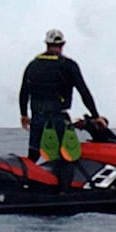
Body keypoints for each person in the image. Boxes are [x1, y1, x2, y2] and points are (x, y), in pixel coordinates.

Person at [19, 29, 104, 162]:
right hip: (58, 118)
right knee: (66, 158)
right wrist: (96, 116)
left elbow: (24, 92)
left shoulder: (33, 65)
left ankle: (24, 175)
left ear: (46, 44)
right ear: (62, 44)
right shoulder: (68, 65)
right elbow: (84, 92)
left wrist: (24, 114)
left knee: (33, 156)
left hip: (37, 118)